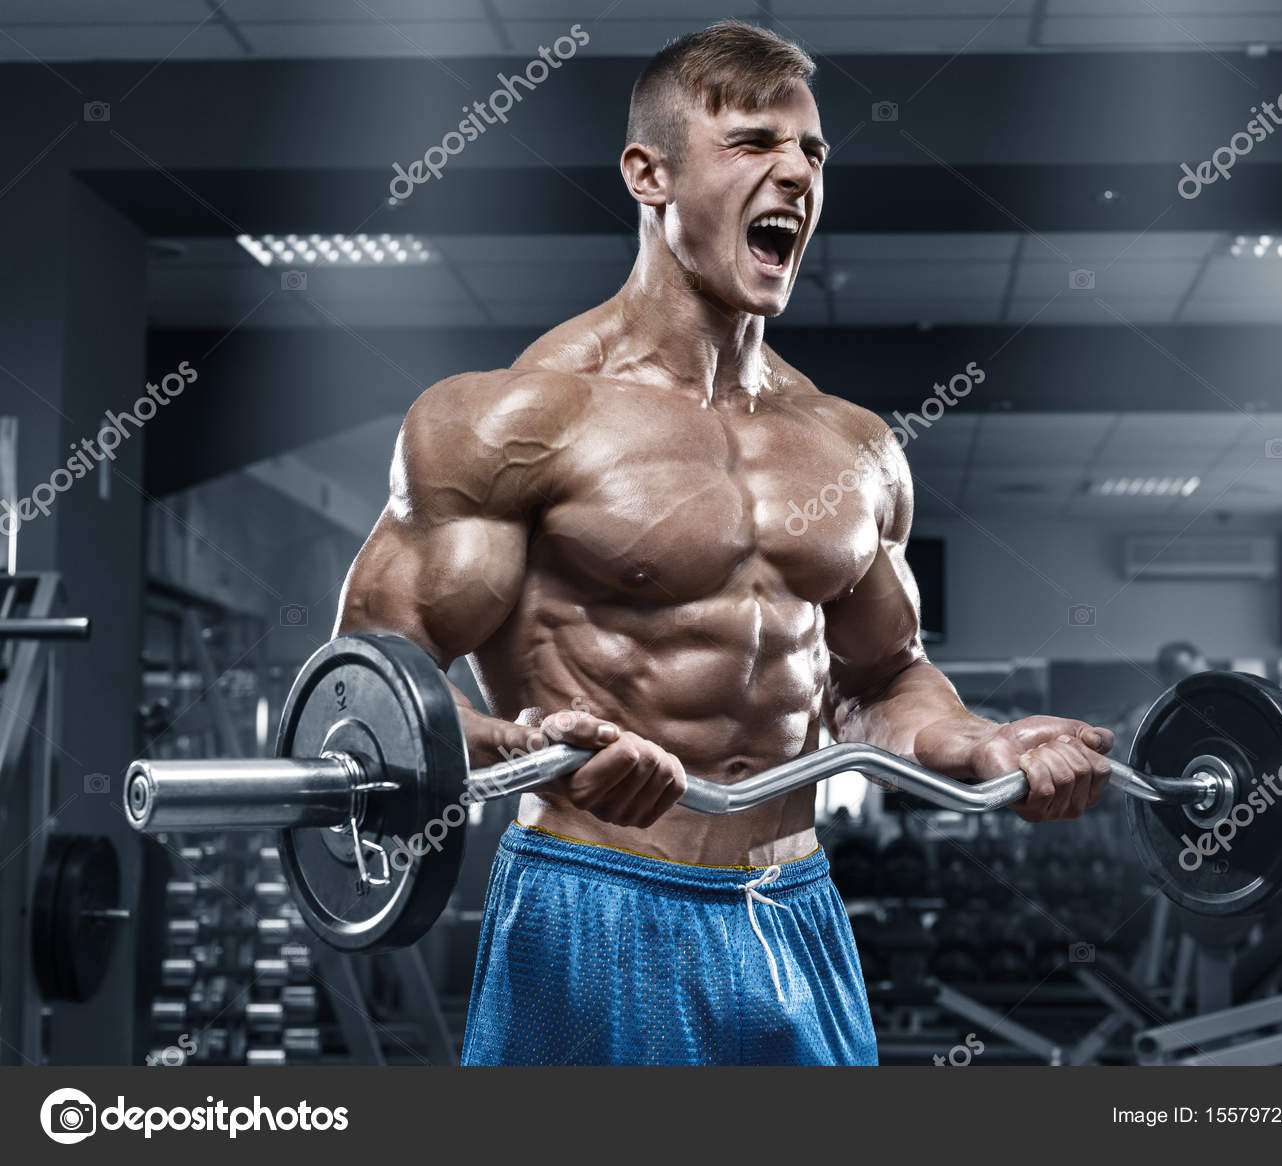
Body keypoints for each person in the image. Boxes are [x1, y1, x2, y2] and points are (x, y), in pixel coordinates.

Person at [333, 20, 1115, 1066]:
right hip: (596, 903)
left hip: (795, 904)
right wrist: (530, 747)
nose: (795, 171)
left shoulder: (855, 446)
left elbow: (880, 677)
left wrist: (972, 744)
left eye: (813, 152)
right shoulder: (512, 421)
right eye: (753, 143)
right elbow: (367, 714)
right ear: (646, 173)